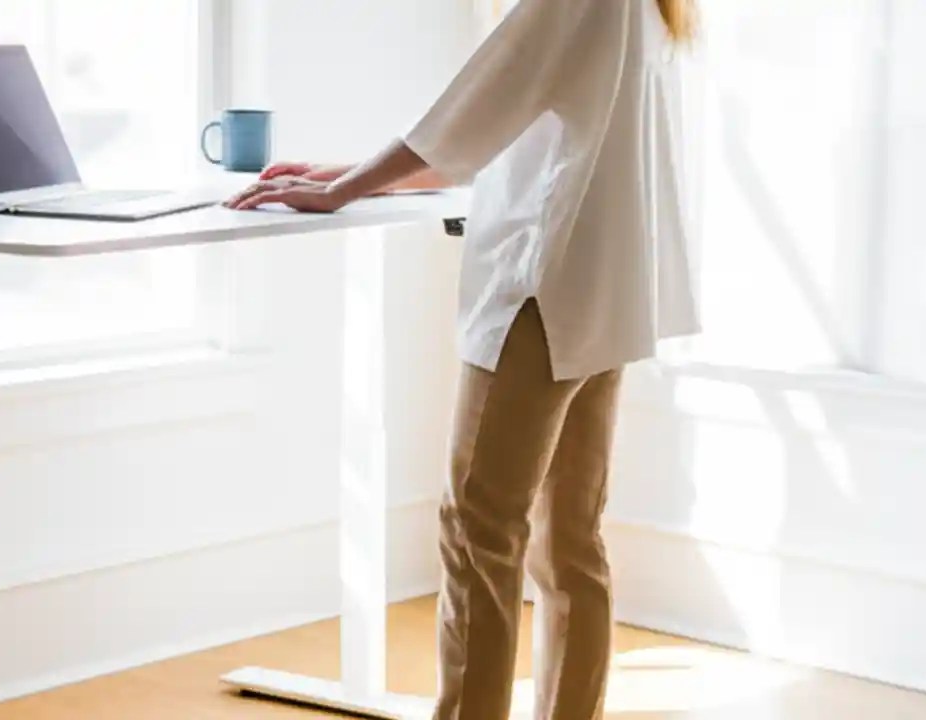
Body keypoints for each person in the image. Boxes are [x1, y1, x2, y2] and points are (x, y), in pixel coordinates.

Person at [227, 1, 700, 718]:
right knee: (571, 542)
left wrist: (340, 189)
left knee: (481, 532)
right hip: (608, 292)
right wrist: (347, 173)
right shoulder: (655, 9)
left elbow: (468, 121)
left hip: (541, 294)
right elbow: (494, 131)